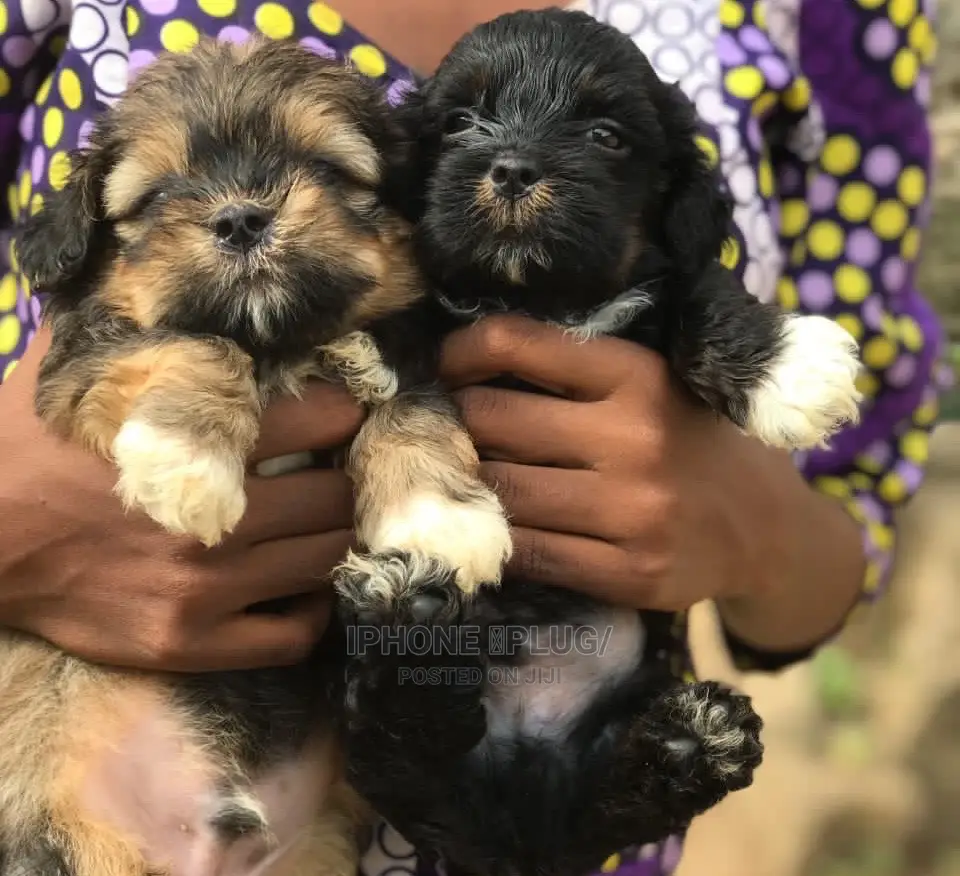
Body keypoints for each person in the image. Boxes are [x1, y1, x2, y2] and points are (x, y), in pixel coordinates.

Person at [0, 0, 951, 874]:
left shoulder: (833, 20)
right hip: (67, 763)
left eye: (335, 172)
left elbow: (853, 498)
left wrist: (759, 522)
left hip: (480, 796)